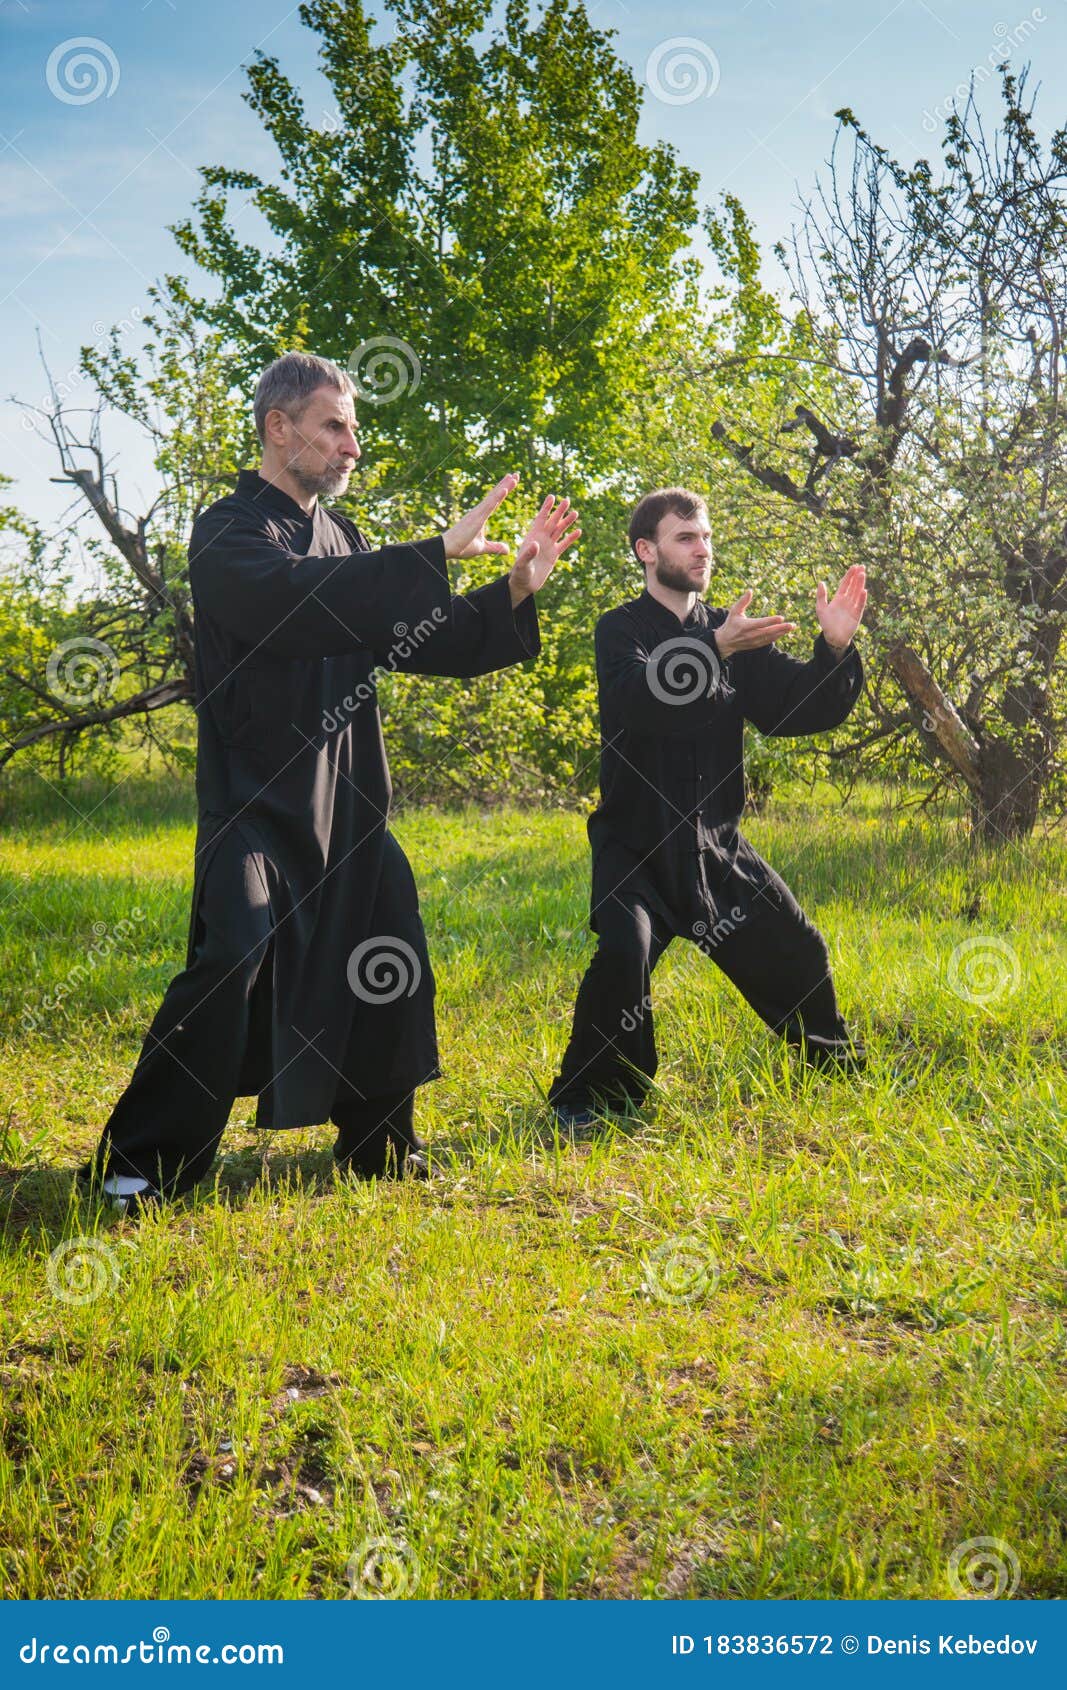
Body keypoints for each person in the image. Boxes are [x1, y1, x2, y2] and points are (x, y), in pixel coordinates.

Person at [77, 351, 579, 1213]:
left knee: (386, 951)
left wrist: (510, 594)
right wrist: (428, 551)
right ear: (281, 429)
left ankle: (378, 1146)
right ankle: (140, 1165)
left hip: (345, 807)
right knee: (231, 956)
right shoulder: (228, 531)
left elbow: (422, 639)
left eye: (354, 428)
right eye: (336, 427)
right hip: (254, 807)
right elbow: (292, 603)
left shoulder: (343, 541)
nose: (353, 446)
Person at [547, 485, 867, 1129]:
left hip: (715, 847)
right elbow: (639, 699)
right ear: (646, 551)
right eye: (686, 538)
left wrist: (832, 651)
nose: (702, 549)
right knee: (624, 954)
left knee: (798, 947)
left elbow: (792, 711)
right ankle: (590, 1098)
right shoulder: (622, 630)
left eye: (706, 537)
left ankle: (836, 1066)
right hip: (635, 847)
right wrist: (715, 647)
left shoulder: (730, 632)